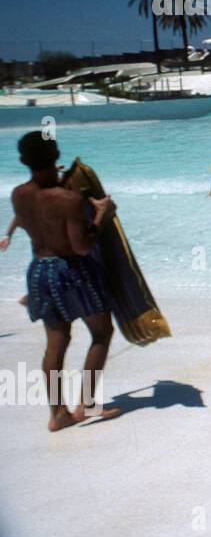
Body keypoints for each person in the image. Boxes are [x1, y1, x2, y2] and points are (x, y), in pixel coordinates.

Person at [10, 132, 121, 430]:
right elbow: (82, 246)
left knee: (56, 343)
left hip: (39, 270)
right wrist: (102, 216)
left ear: (22, 160)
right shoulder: (68, 200)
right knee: (101, 332)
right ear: (57, 154)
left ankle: (58, 414)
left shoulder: (18, 195)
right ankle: (85, 403)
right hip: (71, 271)